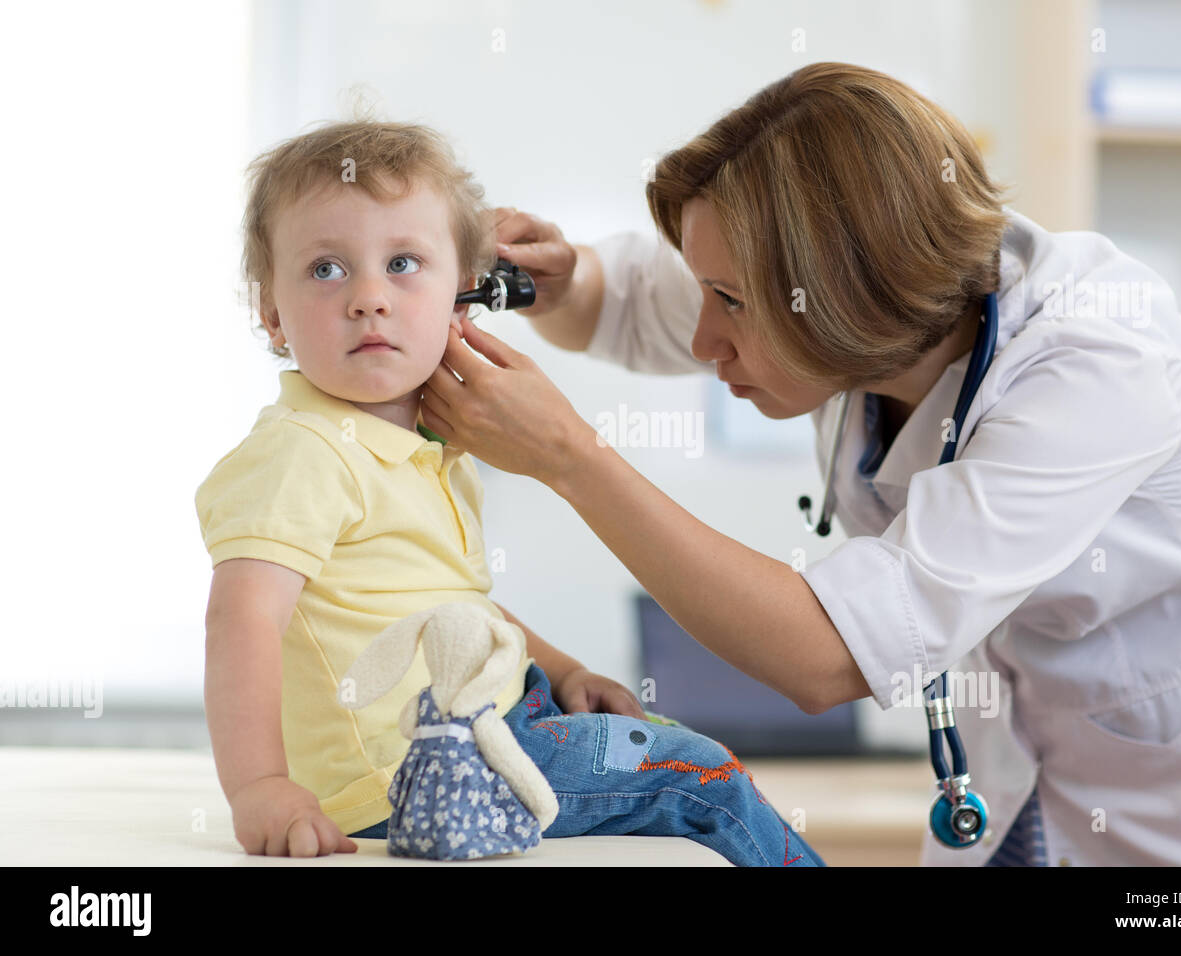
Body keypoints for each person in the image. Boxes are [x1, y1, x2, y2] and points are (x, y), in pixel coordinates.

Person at [421, 62, 1181, 866]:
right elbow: (614, 306)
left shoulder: (1100, 369)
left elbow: (824, 659)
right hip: (1017, 788)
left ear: (854, 289)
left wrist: (570, 457)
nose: (703, 337)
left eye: (729, 301)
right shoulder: (844, 301)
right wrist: (563, 280)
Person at [194, 118, 823, 867]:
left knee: (667, 753)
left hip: (490, 717)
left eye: (402, 263)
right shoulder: (302, 452)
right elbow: (242, 622)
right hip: (417, 770)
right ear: (271, 313)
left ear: (462, 299)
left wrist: (564, 673)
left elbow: (456, 611)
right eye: (326, 270)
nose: (368, 297)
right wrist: (261, 785)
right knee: (706, 778)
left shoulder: (427, 446)